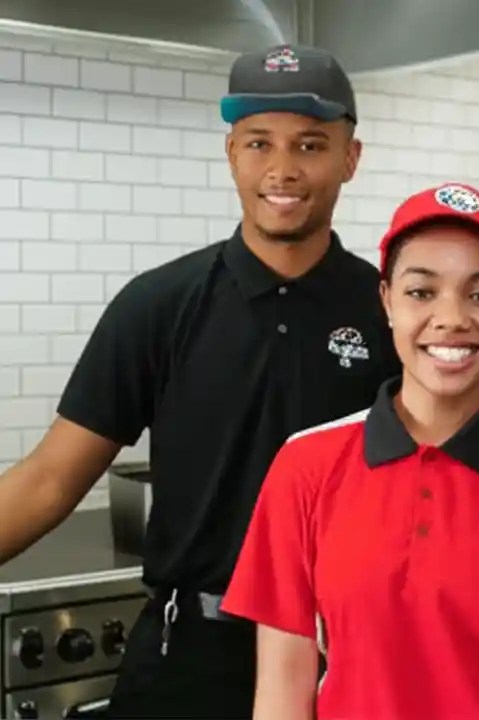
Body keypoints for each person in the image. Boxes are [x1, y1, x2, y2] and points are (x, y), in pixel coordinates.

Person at [0, 44, 397, 718]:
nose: (282, 169)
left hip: (348, 655)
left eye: (309, 145)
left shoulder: (390, 312)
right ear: (231, 153)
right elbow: (49, 479)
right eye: (259, 143)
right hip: (188, 657)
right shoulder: (159, 305)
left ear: (349, 158)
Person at [222, 183, 479, 720]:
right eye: (422, 292)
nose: (452, 318)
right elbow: (284, 681)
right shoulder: (305, 465)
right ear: (386, 301)